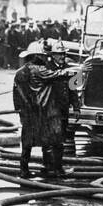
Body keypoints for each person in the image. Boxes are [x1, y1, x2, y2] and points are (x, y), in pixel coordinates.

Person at [13, 42, 72, 179]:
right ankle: (54, 170)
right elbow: (59, 75)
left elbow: (15, 94)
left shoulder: (19, 72)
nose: (45, 58)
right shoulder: (40, 70)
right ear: (37, 56)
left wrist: (20, 111)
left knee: (27, 143)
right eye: (43, 56)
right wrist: (78, 71)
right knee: (50, 139)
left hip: (26, 113)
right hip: (41, 111)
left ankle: (24, 170)